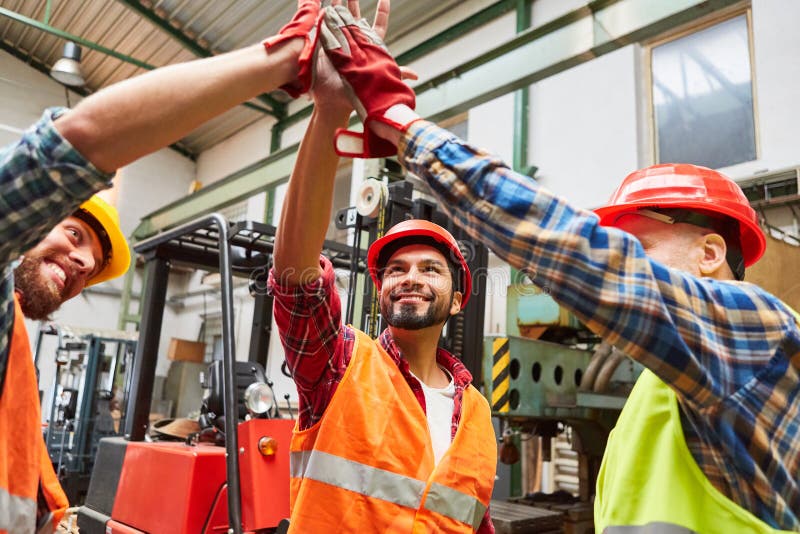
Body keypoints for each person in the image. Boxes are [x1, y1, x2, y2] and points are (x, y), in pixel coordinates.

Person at [314, 5, 800, 532]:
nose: (620, 257)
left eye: (636, 245)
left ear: (710, 254)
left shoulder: (753, 334)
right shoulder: (663, 387)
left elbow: (578, 252)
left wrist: (400, 122)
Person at [0, 2, 322, 531]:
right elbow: (62, 155)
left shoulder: (16, 350)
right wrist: (284, 59)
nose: (81, 264)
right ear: (36, 222)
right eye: (75, 235)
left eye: (91, 266)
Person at [268, 2, 497, 532]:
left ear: (459, 300)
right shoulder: (341, 365)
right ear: (380, 291)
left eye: (430, 269)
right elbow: (296, 280)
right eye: (396, 270)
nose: (410, 276)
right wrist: (331, 113)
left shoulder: (479, 414)